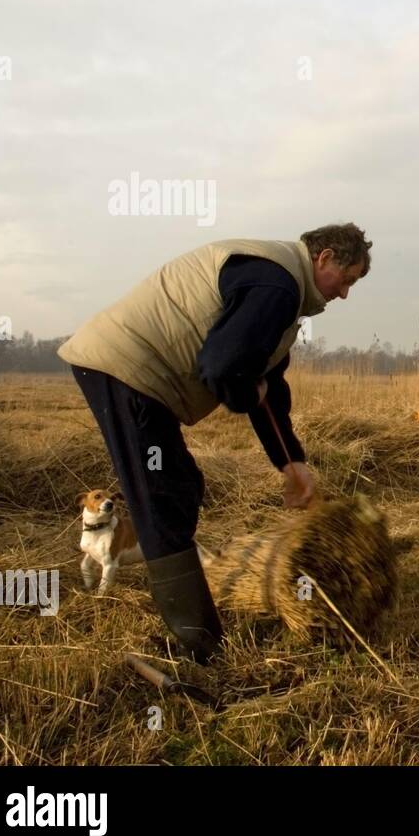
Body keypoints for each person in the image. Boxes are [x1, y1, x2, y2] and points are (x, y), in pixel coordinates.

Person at [58, 223, 372, 661]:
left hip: (139, 377)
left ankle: (187, 620)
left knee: (182, 487)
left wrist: (291, 464)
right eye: (348, 279)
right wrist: (249, 392)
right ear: (324, 259)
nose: (344, 294)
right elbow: (223, 369)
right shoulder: (277, 284)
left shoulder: (282, 291)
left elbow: (268, 390)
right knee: (162, 495)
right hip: (123, 367)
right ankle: (198, 646)